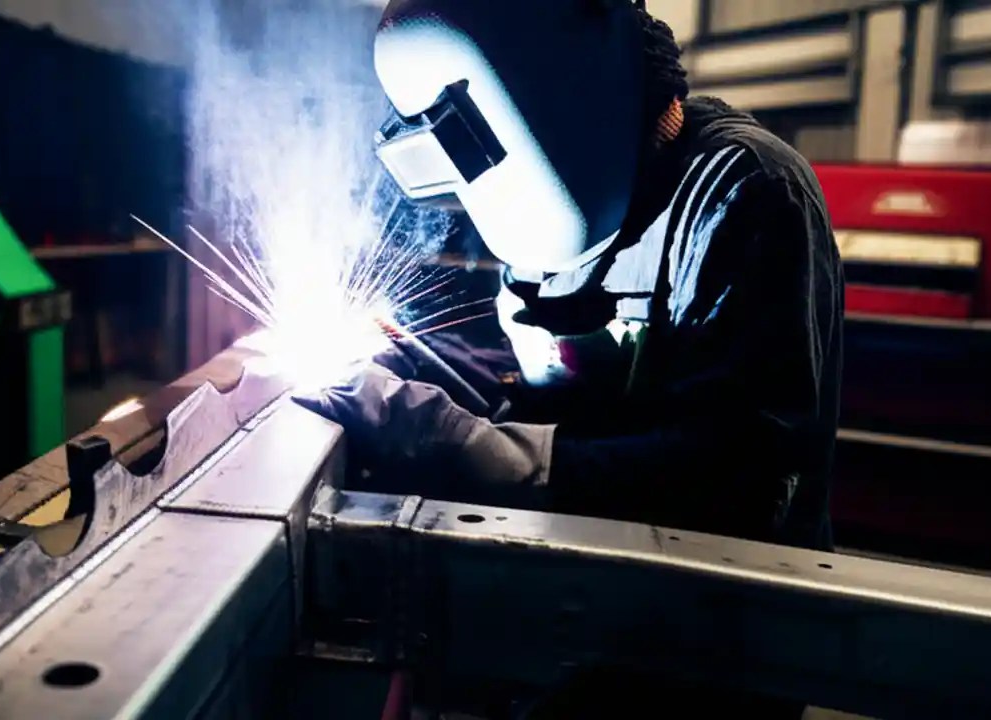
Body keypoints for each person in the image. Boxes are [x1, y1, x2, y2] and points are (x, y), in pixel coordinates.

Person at [297, 1, 843, 716]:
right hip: (577, 611)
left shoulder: (746, 191)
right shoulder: (542, 199)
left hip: (712, 651)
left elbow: (740, 472)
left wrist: (484, 451)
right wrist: (442, 368)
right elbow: (557, 386)